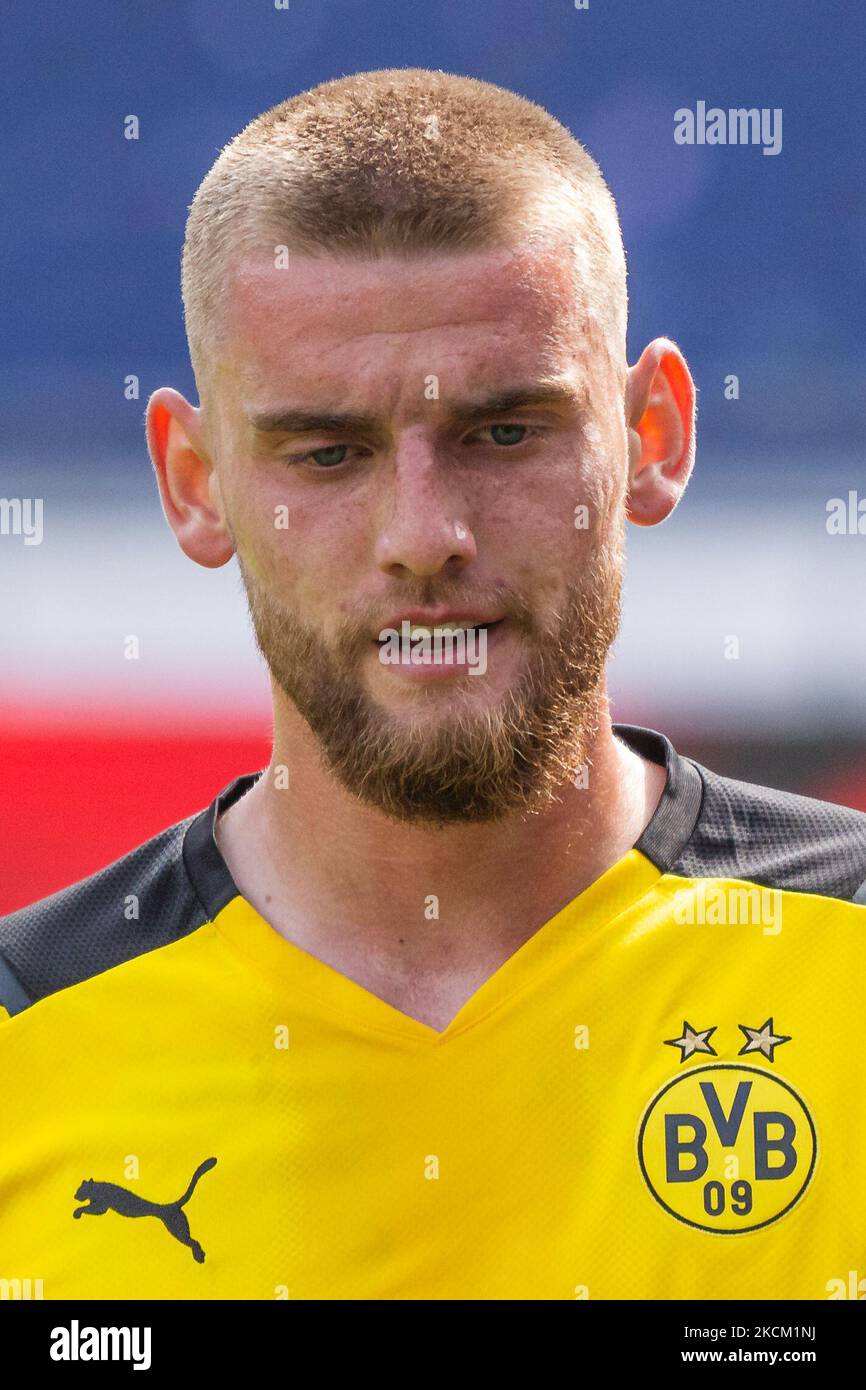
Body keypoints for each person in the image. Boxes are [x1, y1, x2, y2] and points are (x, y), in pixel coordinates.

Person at [1, 69, 865, 1301]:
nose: (422, 533)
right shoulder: (25, 1038)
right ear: (195, 484)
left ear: (653, 438)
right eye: (329, 452)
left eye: (504, 432)